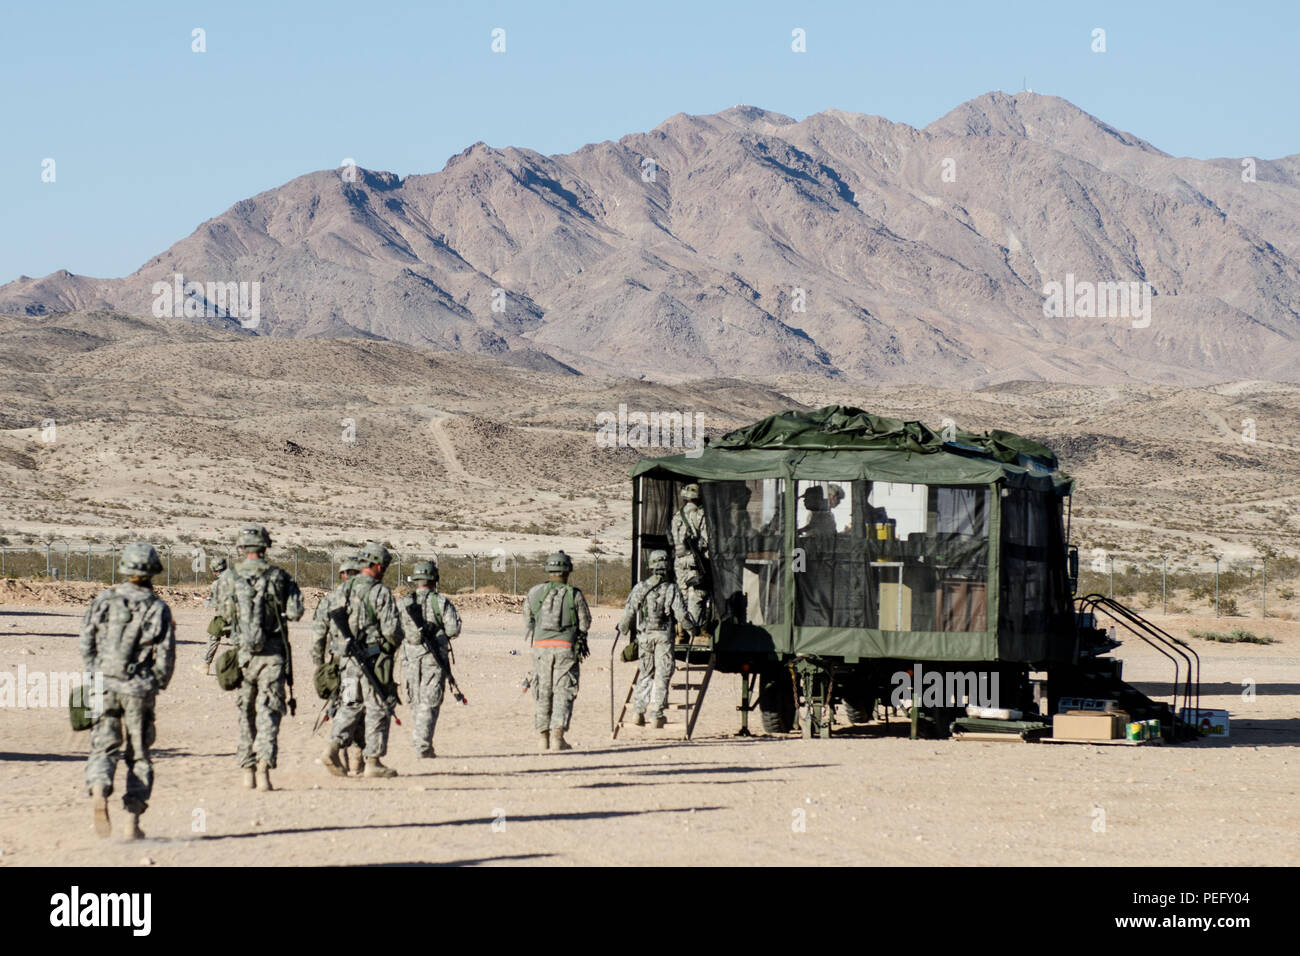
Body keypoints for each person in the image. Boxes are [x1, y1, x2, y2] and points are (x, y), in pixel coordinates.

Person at [80, 542, 176, 840]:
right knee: (139, 753)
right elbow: (166, 654)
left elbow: (87, 640)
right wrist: (155, 683)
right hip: (138, 689)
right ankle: (132, 821)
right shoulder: (158, 608)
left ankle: (99, 788)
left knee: (103, 745)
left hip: (105, 683)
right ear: (152, 572)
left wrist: (97, 672)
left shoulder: (104, 600)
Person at [218, 524, 304, 792]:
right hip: (273, 655)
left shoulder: (228, 578)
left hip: (243, 655)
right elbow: (296, 612)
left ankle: (247, 770)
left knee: (246, 712)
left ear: (241, 548)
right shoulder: (280, 577)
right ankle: (265, 769)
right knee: (269, 710)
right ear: (266, 547)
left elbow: (223, 614)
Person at [326, 540, 403, 778]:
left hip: (347, 662)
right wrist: (389, 645)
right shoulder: (379, 592)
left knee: (349, 705)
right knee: (378, 706)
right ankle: (373, 761)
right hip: (372, 662)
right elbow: (392, 630)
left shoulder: (342, 590)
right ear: (378, 566)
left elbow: (331, 626)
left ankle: (332, 748)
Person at [524, 551, 591, 752]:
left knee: (542, 692)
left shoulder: (534, 592)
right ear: (567, 570)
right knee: (563, 692)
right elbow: (585, 624)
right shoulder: (574, 594)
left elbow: (528, 622)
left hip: (540, 649)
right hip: (566, 650)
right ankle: (557, 738)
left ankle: (542, 738)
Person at [617, 550, 692, 728]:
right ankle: (656, 714)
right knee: (663, 674)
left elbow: (628, 613)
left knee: (645, 673)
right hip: (664, 636)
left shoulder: (641, 587)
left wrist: (623, 629)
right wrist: (692, 628)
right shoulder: (671, 588)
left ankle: (638, 711)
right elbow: (681, 615)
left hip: (645, 636)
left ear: (651, 566)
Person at [397, 560, 462, 758]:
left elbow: (393, 629)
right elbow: (453, 629)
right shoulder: (439, 602)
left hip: (409, 656)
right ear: (434, 579)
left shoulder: (403, 602)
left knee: (415, 698)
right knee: (429, 700)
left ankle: (421, 741)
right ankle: (422, 745)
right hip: (433, 657)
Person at [311, 553, 364, 775]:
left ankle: (354, 758)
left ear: (342, 575)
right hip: (360, 664)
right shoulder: (367, 598)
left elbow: (318, 636)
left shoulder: (328, 600)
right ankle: (346, 754)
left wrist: (319, 664)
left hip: (336, 663)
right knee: (356, 707)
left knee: (346, 705)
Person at [668, 483, 711, 627]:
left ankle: (681, 630)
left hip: (679, 562)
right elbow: (707, 540)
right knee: (696, 595)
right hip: (695, 561)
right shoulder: (701, 514)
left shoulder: (676, 516)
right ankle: (693, 632)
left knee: (682, 596)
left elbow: (672, 539)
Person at [196, 556, 229, 674]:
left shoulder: (218, 583)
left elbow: (214, 603)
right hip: (242, 614)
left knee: (213, 637)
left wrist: (202, 601)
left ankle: (205, 665)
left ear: (215, 570)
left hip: (224, 614)